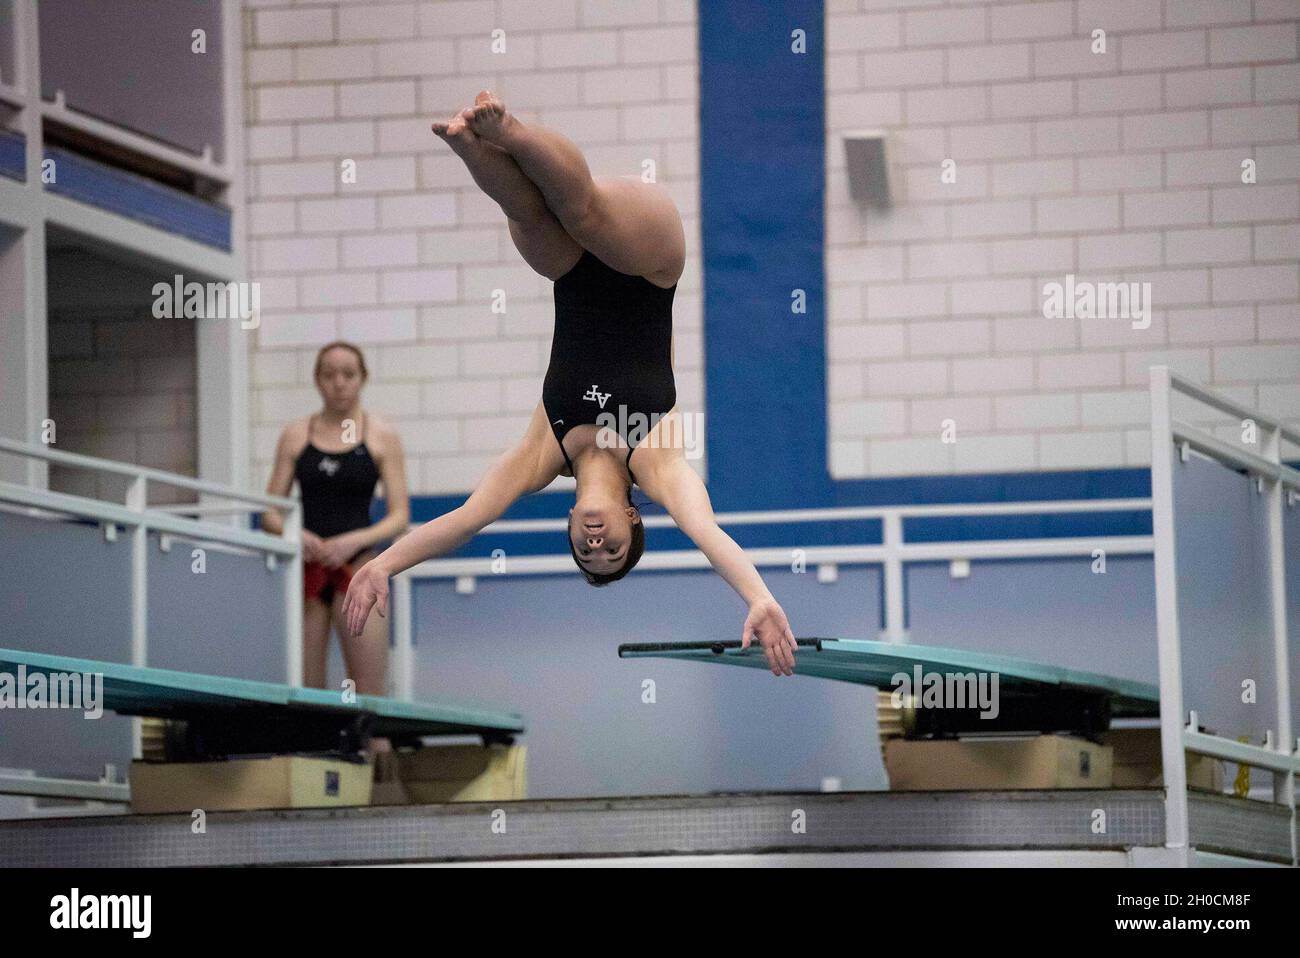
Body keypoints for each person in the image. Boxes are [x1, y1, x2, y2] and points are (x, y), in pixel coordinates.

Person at [343, 92, 797, 677]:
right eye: (611, 549)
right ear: (632, 520)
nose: (595, 543)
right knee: (582, 212)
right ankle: (506, 128)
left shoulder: (543, 452)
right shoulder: (654, 461)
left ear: (569, 527)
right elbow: (706, 532)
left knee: (530, 217)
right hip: (650, 261)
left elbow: (465, 518)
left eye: (585, 551)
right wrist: (758, 598)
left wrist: (383, 566)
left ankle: (467, 144)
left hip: (574, 272)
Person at [263, 341, 410, 693]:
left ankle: (376, 748)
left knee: (371, 694)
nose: (339, 383)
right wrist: (295, 535)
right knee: (306, 692)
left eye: (348, 375)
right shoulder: (296, 435)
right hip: (308, 570)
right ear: (316, 380)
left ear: (362, 379)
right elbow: (270, 511)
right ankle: (313, 748)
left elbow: (399, 516)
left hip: (358, 568)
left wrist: (352, 541)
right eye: (329, 375)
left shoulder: (382, 437)